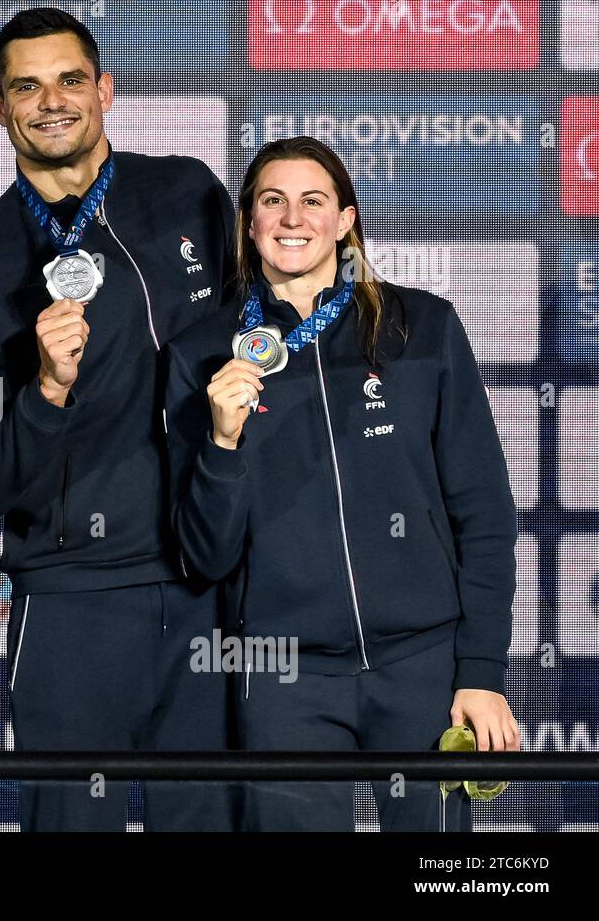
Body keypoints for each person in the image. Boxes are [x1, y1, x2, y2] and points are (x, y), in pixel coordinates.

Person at [0, 7, 237, 831]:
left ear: (104, 88)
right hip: (70, 608)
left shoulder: (189, 193)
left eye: (69, 80)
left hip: (211, 589)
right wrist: (46, 394)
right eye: (26, 86)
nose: (50, 101)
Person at [164, 135, 521, 831]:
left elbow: (484, 515)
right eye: (272, 201)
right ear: (248, 222)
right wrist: (222, 441)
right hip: (283, 681)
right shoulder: (200, 355)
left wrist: (479, 671)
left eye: (312, 201)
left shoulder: (423, 327)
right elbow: (202, 557)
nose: (291, 218)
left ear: (345, 219)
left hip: (424, 667)